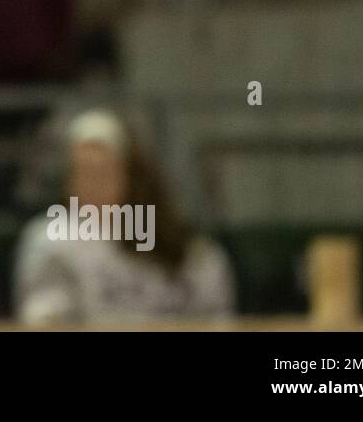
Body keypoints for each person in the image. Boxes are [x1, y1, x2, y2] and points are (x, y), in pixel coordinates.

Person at [13, 108, 235, 326]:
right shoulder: (50, 239)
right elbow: (44, 320)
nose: (94, 183)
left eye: (105, 171)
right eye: (83, 172)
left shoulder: (181, 243)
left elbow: (217, 316)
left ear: (132, 175)